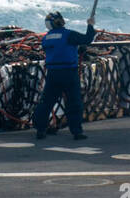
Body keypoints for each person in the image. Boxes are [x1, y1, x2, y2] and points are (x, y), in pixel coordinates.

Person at [32, 11, 96, 140]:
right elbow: (87, 39)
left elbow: (57, 49)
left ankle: (40, 129)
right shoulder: (69, 35)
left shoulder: (46, 38)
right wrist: (90, 25)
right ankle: (77, 132)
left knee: (47, 102)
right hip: (69, 72)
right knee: (74, 102)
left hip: (53, 74)